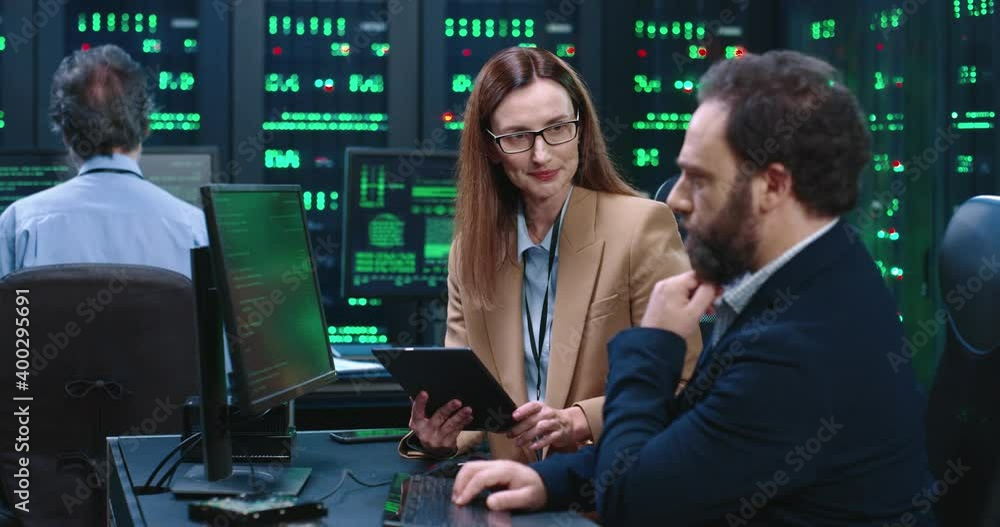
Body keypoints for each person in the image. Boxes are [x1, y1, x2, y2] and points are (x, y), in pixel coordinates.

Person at [452, 50, 937, 526]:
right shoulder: (823, 273)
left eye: (699, 180)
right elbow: (685, 442)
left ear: (772, 186)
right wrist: (549, 482)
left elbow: (634, 501)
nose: (678, 198)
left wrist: (653, 344)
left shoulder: (796, 350)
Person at [400, 47, 701, 463]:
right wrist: (440, 434)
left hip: (606, 486)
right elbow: (469, 406)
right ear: (491, 148)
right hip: (510, 492)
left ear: (580, 128)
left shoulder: (642, 227)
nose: (542, 155)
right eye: (518, 136)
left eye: (558, 128)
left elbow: (685, 383)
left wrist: (578, 420)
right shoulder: (470, 251)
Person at [0, 44, 207, 278]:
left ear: (66, 134)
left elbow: (17, 313)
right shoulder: (195, 229)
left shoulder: (19, 226)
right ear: (146, 127)